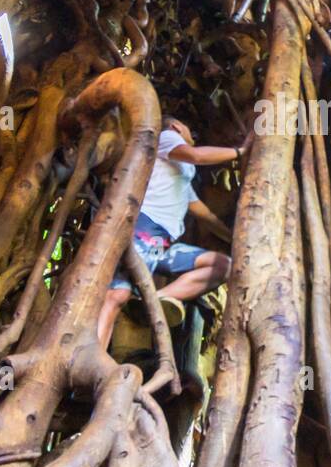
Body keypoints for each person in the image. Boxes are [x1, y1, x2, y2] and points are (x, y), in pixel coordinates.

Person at [95, 116, 248, 350]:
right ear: (177, 126)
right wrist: (240, 152)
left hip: (161, 242)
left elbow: (203, 214)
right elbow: (197, 156)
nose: (192, 136)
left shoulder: (181, 177)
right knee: (117, 295)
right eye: (188, 129)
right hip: (145, 228)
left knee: (221, 265)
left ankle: (156, 300)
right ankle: (94, 355)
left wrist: (235, 239)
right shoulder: (166, 138)